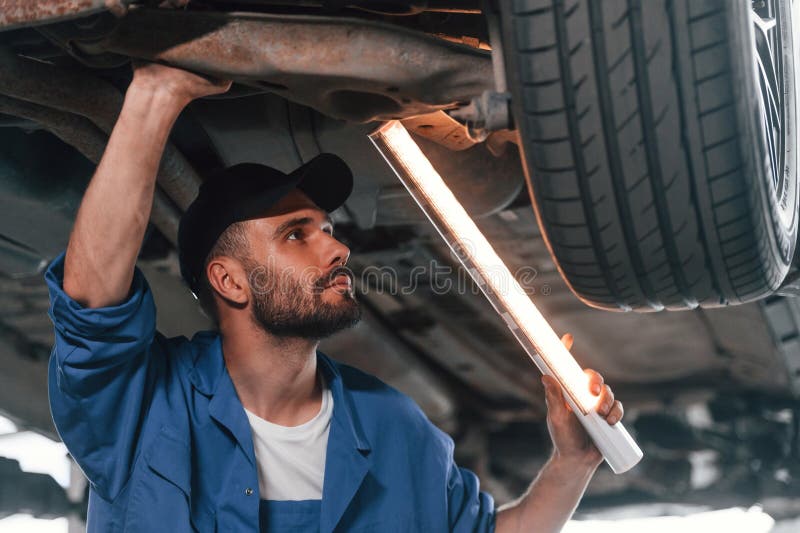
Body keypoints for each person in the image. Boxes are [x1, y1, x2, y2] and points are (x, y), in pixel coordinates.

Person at [46, 62, 624, 533]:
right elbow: (91, 301)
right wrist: (155, 93)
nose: (336, 247)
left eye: (327, 227)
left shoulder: (396, 429)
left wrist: (572, 463)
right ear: (229, 281)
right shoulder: (146, 408)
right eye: (296, 233)